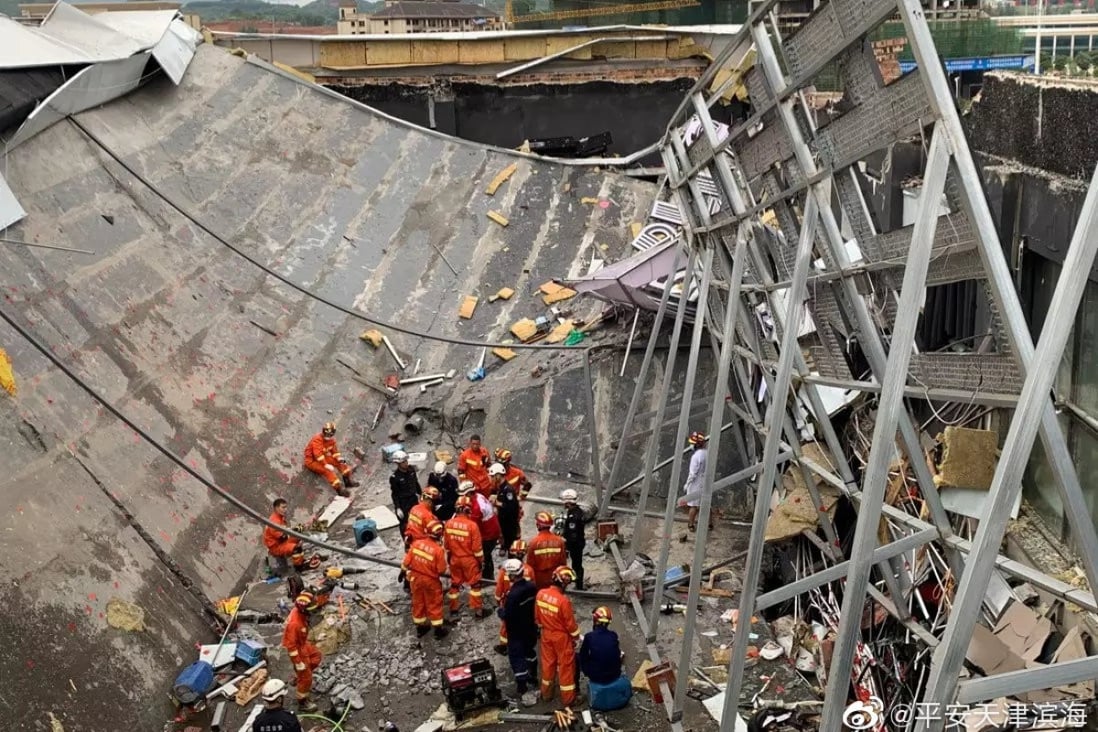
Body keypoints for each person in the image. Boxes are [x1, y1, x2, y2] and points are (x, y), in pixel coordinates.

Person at [535, 566, 582, 707]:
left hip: (546, 634)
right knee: (565, 667)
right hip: (561, 638)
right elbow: (570, 625)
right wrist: (576, 638)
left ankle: (546, 693)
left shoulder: (541, 594)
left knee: (548, 664)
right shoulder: (563, 601)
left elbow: (537, 618)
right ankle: (569, 699)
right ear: (564, 583)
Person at [499, 559, 539, 707]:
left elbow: (508, 615)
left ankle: (522, 686)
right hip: (530, 627)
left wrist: (501, 612)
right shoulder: (532, 586)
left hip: (516, 630)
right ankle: (533, 677)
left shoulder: (513, 594)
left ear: (512, 576)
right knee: (530, 652)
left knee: (516, 656)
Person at [402, 519, 449, 639]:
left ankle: (421, 628)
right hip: (431, 581)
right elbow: (441, 570)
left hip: (415, 579)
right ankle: (438, 631)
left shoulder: (416, 544)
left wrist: (403, 572)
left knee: (418, 602)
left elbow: (406, 562)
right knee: (434, 603)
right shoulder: (438, 550)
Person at [578, 607, 632, 711]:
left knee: (576, 658)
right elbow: (616, 654)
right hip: (614, 674)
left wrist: (586, 671)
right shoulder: (613, 635)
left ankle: (575, 691)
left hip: (596, 677)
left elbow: (583, 656)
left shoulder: (589, 637)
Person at [444, 496, 490, 618]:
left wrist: (450, 558)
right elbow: (477, 550)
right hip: (469, 560)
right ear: (467, 510)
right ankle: (478, 611)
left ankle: (453, 608)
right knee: (475, 585)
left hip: (454, 559)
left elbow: (447, 545)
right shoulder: (472, 526)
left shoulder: (448, 524)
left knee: (455, 584)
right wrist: (481, 562)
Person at [282, 591, 323, 712]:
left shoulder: (299, 611)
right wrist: (298, 662)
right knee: (306, 678)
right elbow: (291, 646)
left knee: (316, 656)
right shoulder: (295, 624)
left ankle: (300, 675)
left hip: (302, 644)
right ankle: (302, 702)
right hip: (297, 649)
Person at [494, 540, 534, 654]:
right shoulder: (529, 570)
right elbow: (532, 586)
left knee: (506, 625)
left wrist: (498, 603)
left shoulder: (504, 570)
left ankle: (504, 646)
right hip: (524, 603)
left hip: (508, 602)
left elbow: (498, 590)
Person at [302, 422, 359, 496]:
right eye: (327, 434)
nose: (328, 436)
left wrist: (338, 458)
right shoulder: (317, 440)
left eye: (330, 435)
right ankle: (339, 489)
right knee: (328, 471)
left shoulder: (331, 441)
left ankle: (347, 481)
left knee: (341, 463)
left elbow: (334, 451)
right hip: (312, 460)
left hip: (323, 457)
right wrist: (326, 465)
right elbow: (317, 455)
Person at [460, 480, 501, 580]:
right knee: (487, 554)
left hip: (488, 535)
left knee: (484, 555)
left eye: (464, 495)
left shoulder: (475, 508)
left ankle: (487, 576)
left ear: (469, 493)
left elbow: (473, 528)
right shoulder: (478, 496)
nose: (462, 497)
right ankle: (487, 575)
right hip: (492, 529)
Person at [680, 432, 711, 532]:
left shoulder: (695, 457)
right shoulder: (707, 453)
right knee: (706, 504)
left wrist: (687, 484)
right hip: (706, 482)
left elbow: (693, 473)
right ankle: (709, 524)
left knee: (693, 506)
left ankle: (691, 524)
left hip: (696, 484)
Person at [527, 511, 566, 589]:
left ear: (538, 525)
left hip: (539, 579)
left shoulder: (533, 543)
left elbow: (530, 565)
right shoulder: (559, 541)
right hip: (555, 578)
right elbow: (563, 563)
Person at [263, 498, 300, 577]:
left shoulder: (279, 517)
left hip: (280, 543)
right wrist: (292, 531)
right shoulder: (274, 521)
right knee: (296, 547)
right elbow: (282, 537)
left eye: (286, 507)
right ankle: (298, 568)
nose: (285, 510)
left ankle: (297, 562)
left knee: (298, 537)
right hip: (276, 547)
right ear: (276, 508)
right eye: (283, 507)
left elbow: (284, 531)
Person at [492, 462, 522, 558]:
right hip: (504, 519)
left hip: (509, 521)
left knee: (510, 539)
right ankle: (505, 547)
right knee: (504, 537)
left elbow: (511, 507)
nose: (492, 478)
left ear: (498, 476)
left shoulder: (508, 490)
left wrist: (497, 503)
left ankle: (512, 556)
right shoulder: (501, 487)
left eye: (493, 476)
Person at [389, 451, 420, 539]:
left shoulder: (411, 470)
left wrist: (420, 495)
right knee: (404, 524)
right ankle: (407, 542)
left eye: (406, 461)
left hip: (413, 499)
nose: (406, 463)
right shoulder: (395, 478)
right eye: (403, 462)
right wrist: (398, 507)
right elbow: (394, 494)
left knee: (417, 521)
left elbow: (416, 483)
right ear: (398, 464)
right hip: (403, 503)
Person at [560, 489, 587, 591]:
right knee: (577, 564)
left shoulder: (573, 516)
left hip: (575, 545)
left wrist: (565, 543)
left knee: (576, 565)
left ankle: (578, 585)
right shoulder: (576, 511)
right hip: (578, 543)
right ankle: (578, 583)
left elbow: (573, 534)